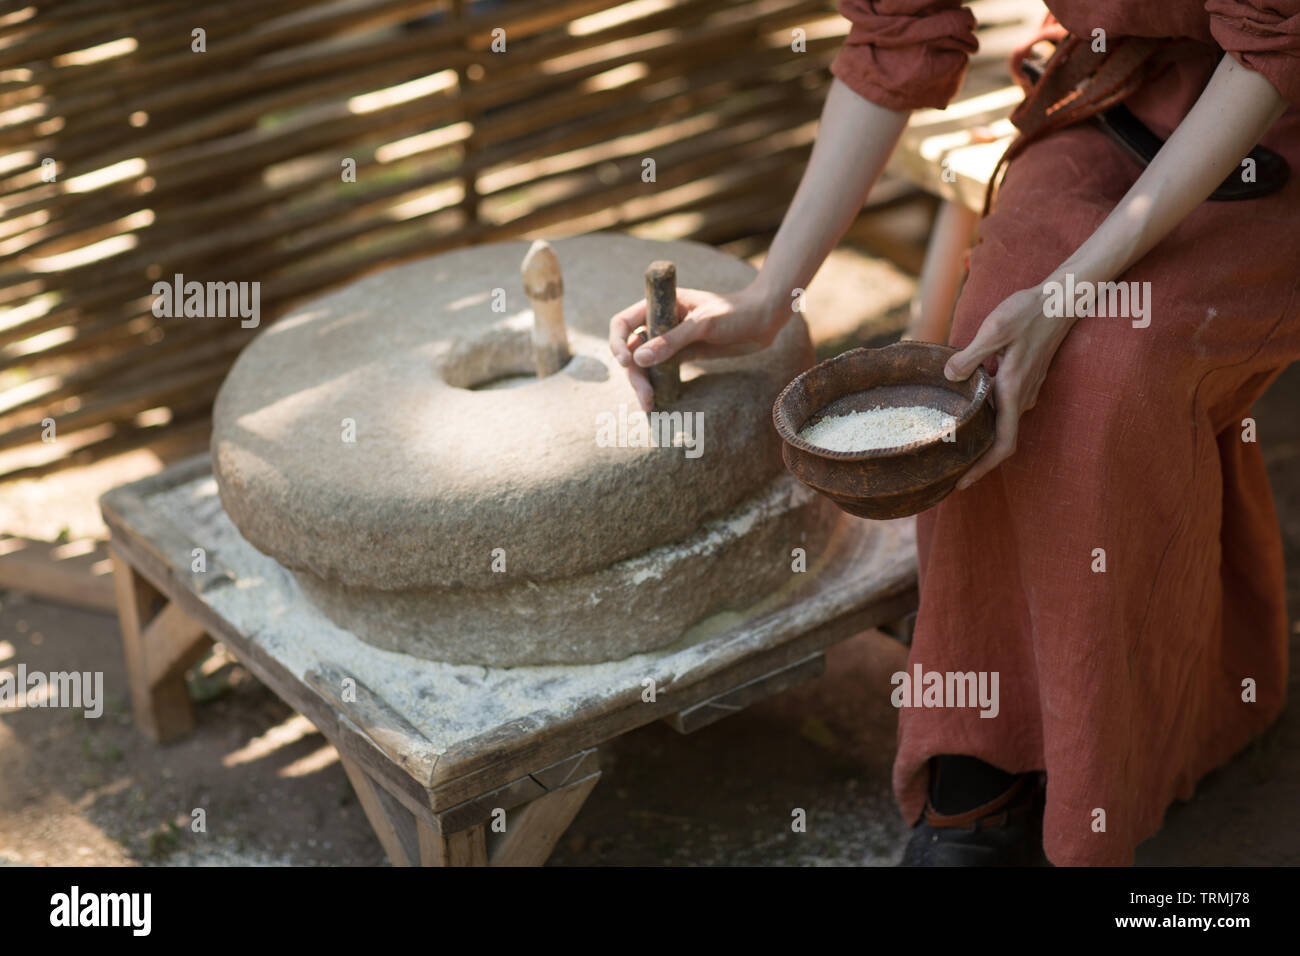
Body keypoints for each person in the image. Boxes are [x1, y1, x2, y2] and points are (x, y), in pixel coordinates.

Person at [608, 0, 1300, 866]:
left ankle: (1109, 772)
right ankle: (982, 757)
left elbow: (1274, 42)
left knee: (1116, 375)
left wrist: (1072, 290)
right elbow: (898, 30)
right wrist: (766, 296)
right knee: (979, 383)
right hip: (1124, 89)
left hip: (1273, 100)